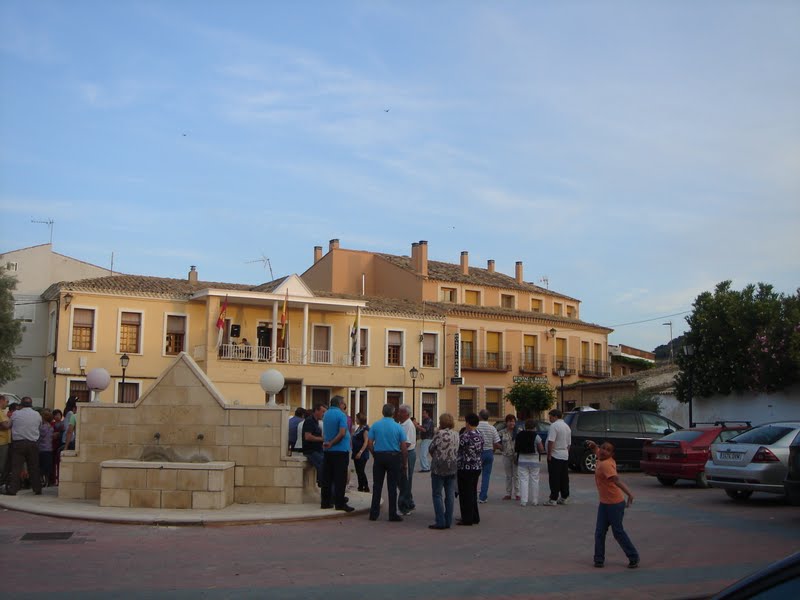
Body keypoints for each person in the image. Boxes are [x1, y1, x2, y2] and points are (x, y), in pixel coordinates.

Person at [586, 440, 640, 569]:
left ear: (612, 454)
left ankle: (633, 557)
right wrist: (594, 446)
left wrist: (630, 494)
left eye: (607, 450)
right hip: (604, 504)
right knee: (599, 532)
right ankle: (599, 560)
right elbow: (597, 451)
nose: (603, 450)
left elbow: (616, 480)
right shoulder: (601, 458)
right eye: (603, 448)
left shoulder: (606, 465)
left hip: (615, 504)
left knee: (618, 532)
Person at [367, 403, 407, 522]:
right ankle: (392, 513)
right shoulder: (398, 427)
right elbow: (404, 447)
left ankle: (374, 513)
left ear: (382, 412)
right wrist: (404, 463)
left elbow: (369, 443)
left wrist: (374, 454)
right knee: (392, 486)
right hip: (394, 456)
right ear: (393, 413)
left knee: (377, 485)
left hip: (379, 456)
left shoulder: (375, 425)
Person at [321, 396, 354, 512]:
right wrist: (332, 443)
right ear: (340, 404)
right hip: (340, 450)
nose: (344, 405)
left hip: (328, 451)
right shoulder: (341, 415)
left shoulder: (326, 414)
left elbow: (325, 431)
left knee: (327, 477)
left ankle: (325, 502)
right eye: (343, 403)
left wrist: (327, 443)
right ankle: (339, 503)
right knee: (340, 478)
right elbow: (342, 433)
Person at [6, 397, 43, 496]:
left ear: (21, 404)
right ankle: (37, 488)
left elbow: (8, 425)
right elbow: (40, 427)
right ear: (31, 404)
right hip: (32, 444)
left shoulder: (16, 414)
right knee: (34, 467)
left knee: (16, 468)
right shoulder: (37, 414)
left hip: (18, 444)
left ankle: (13, 489)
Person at [428, 412, 458, 530]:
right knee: (450, 494)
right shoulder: (456, 434)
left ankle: (440, 520)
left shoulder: (439, 434)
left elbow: (431, 448)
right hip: (452, 467)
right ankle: (448, 520)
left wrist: (435, 457)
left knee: (437, 494)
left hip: (439, 467)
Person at [456, 413, 483, 526]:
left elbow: (458, 449)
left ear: (467, 422)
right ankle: (474, 516)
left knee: (465, 494)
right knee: (472, 492)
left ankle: (467, 518)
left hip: (465, 467)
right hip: (477, 466)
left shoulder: (465, 436)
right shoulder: (480, 434)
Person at [515, 419, 546, 507]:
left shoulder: (519, 435)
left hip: (522, 460)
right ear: (535, 427)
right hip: (534, 461)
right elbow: (541, 449)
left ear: (525, 426)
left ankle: (523, 501)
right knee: (534, 480)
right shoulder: (536, 436)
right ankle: (534, 501)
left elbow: (516, 448)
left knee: (523, 480)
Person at [544, 408, 572, 506]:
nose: (550, 418)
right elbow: (569, 444)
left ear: (555, 416)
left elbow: (551, 441)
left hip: (555, 454)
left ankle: (553, 498)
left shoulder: (554, 426)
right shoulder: (567, 427)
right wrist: (566, 453)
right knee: (564, 477)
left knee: (554, 477)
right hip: (564, 454)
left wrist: (549, 454)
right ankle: (564, 497)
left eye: (550, 416)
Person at [476, 409, 501, 503]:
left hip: (478, 453)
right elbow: (496, 442)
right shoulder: (492, 428)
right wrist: (496, 449)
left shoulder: (476, 427)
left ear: (480, 416)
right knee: (486, 476)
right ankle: (483, 497)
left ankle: (473, 495)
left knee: (475, 475)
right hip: (489, 452)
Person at [396, 404, 417, 515]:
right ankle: (409, 502)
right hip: (404, 453)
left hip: (407, 454)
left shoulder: (408, 425)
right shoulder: (401, 424)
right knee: (402, 480)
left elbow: (407, 443)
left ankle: (404, 507)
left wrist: (395, 448)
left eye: (400, 412)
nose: (398, 413)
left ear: (407, 414)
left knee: (405, 480)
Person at [302, 404, 327, 487]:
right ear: (316, 410)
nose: (324, 414)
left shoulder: (316, 422)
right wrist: (321, 439)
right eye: (322, 411)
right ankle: (323, 484)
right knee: (322, 463)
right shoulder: (309, 421)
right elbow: (307, 436)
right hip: (311, 450)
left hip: (318, 449)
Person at [499, 414, 519, 501]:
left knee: (516, 475)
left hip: (516, 456)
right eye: (510, 421)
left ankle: (518, 493)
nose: (512, 423)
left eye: (513, 421)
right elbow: (497, 442)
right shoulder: (502, 432)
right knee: (508, 475)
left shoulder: (519, 431)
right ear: (506, 422)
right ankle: (508, 493)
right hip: (506, 456)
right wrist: (501, 448)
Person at [352, 412, 370, 492]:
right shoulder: (359, 428)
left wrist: (360, 452)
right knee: (358, 470)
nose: (355, 420)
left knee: (361, 470)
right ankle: (360, 486)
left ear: (360, 419)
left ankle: (365, 486)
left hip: (361, 453)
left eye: (357, 418)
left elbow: (366, 442)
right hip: (356, 451)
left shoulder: (365, 429)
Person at [38, 409, 55, 488]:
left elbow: (39, 437)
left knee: (41, 466)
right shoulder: (51, 428)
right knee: (47, 467)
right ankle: (47, 481)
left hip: (42, 449)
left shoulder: (42, 428)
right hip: (49, 449)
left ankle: (42, 481)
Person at [0, 395, 10, 489]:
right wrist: (9, 423)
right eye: (7, 402)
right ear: (2, 400)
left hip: (4, 441)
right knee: (2, 465)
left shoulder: (2, 412)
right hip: (2, 442)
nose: (7, 405)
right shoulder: (0, 412)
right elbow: (5, 426)